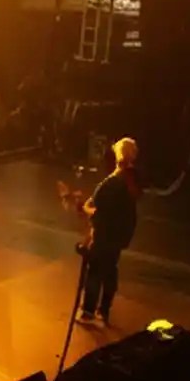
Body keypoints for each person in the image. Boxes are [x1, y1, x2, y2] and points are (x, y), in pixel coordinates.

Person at [77, 137, 141, 326]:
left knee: (95, 271)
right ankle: (103, 312)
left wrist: (83, 208)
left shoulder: (113, 182)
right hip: (118, 236)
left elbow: (96, 208)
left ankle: (88, 312)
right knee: (110, 271)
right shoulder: (131, 181)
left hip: (104, 234)